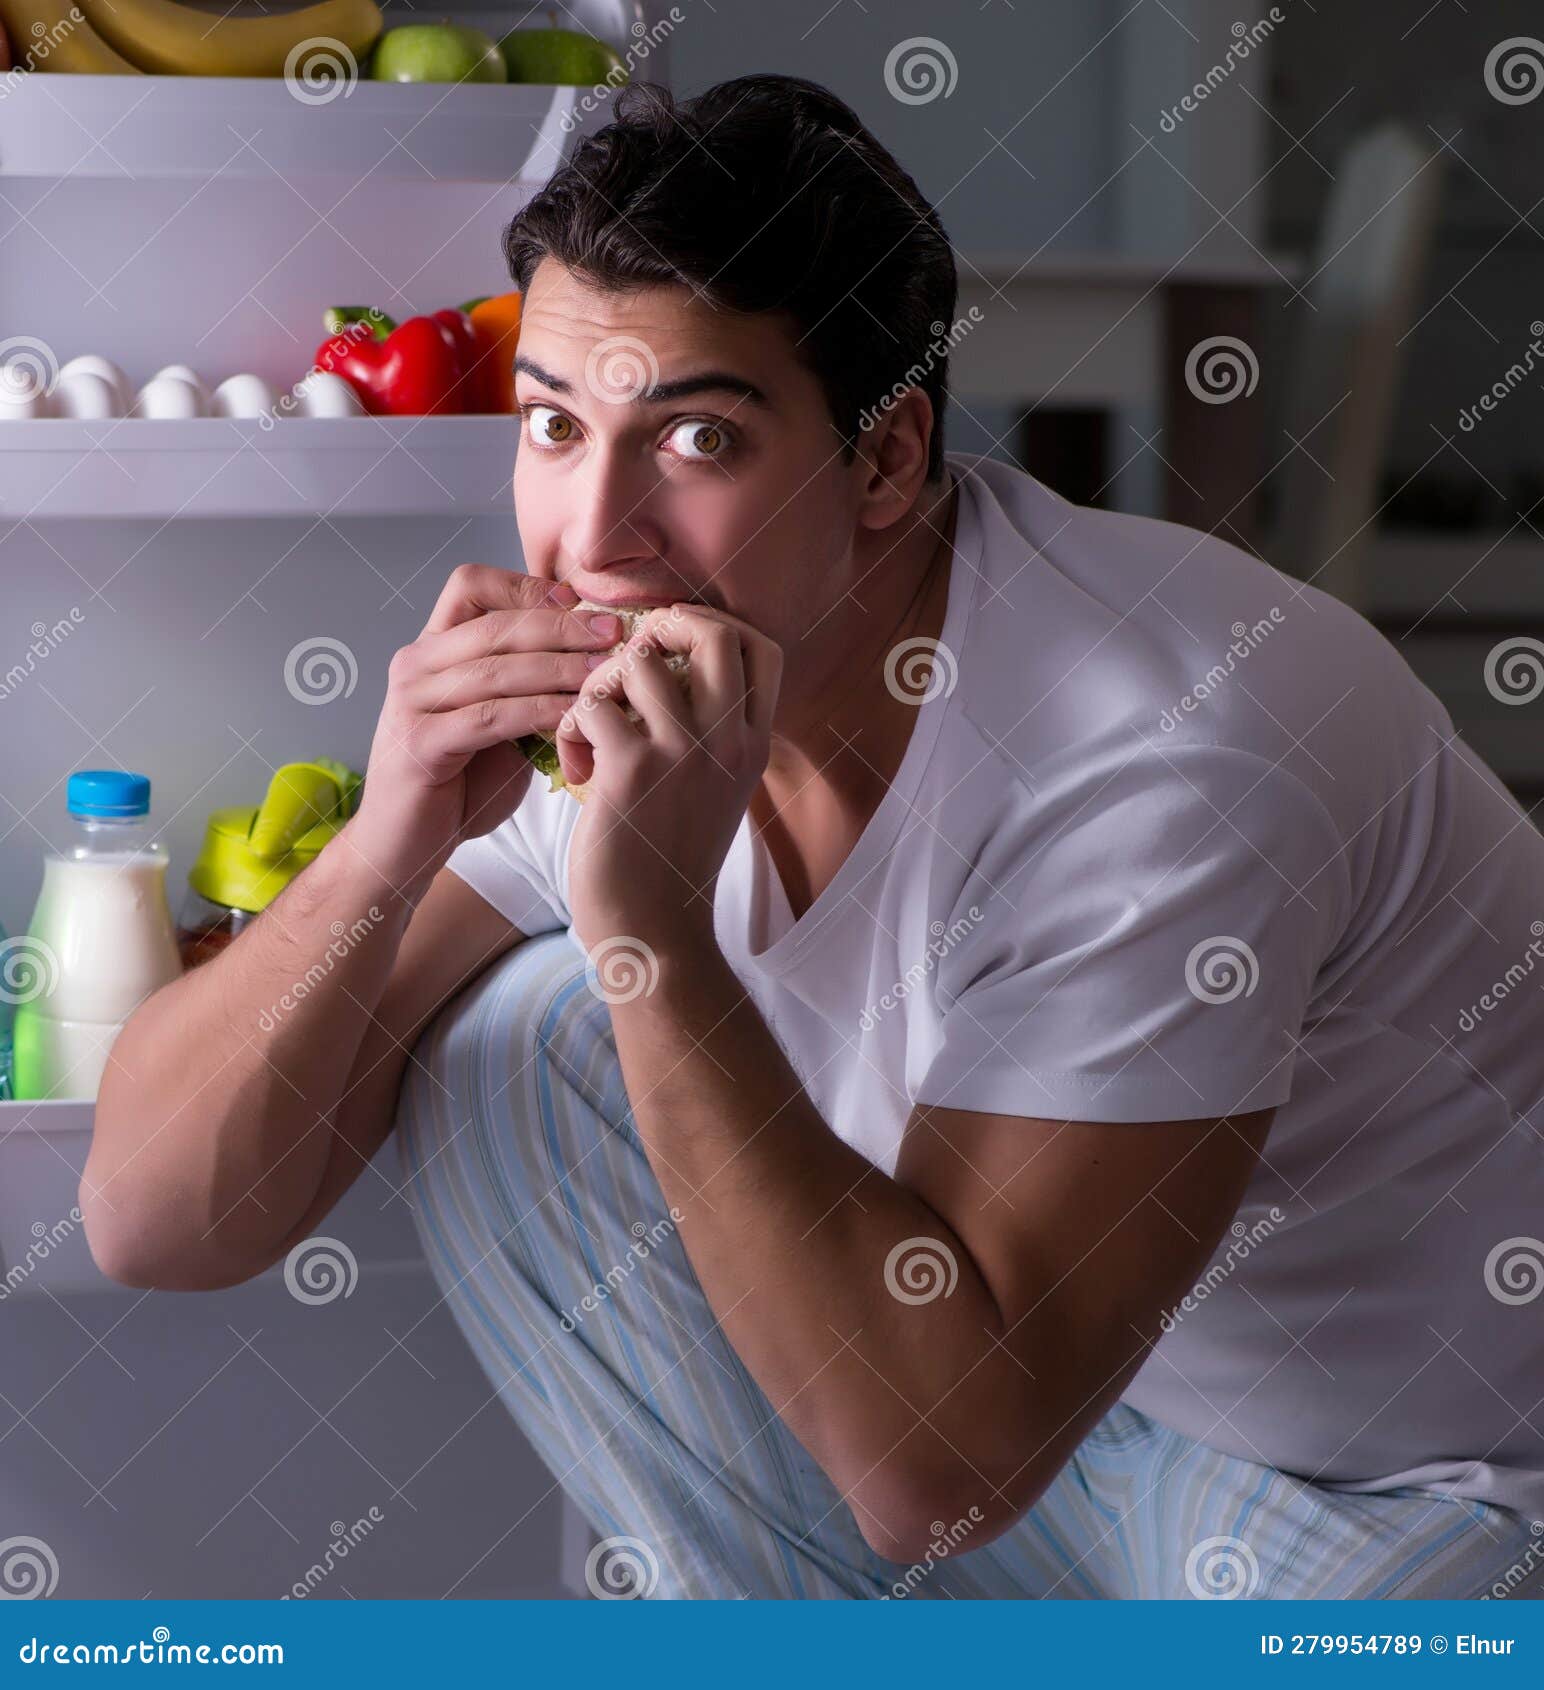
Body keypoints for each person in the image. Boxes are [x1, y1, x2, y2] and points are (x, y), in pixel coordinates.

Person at [84, 74, 1544, 1601]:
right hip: (1066, 1440)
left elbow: (939, 1476)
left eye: (697, 437)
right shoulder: (668, 672)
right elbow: (145, 1218)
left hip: (1400, 1489)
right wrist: (385, 843)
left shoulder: (1167, 751)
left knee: (618, 996)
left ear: (886, 460)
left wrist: (645, 922)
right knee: (505, 1035)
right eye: (552, 427)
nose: (592, 536)